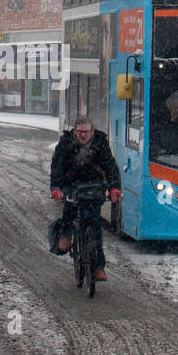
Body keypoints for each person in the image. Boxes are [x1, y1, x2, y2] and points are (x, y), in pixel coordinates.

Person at [49, 115, 122, 282]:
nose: (83, 135)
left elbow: (110, 166)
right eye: (80, 132)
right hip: (71, 183)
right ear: (75, 131)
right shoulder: (66, 143)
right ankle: (66, 234)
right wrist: (56, 188)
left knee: (95, 225)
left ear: (92, 131)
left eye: (86, 132)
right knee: (70, 208)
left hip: (94, 185)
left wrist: (114, 188)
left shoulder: (100, 142)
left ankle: (98, 267)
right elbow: (57, 165)